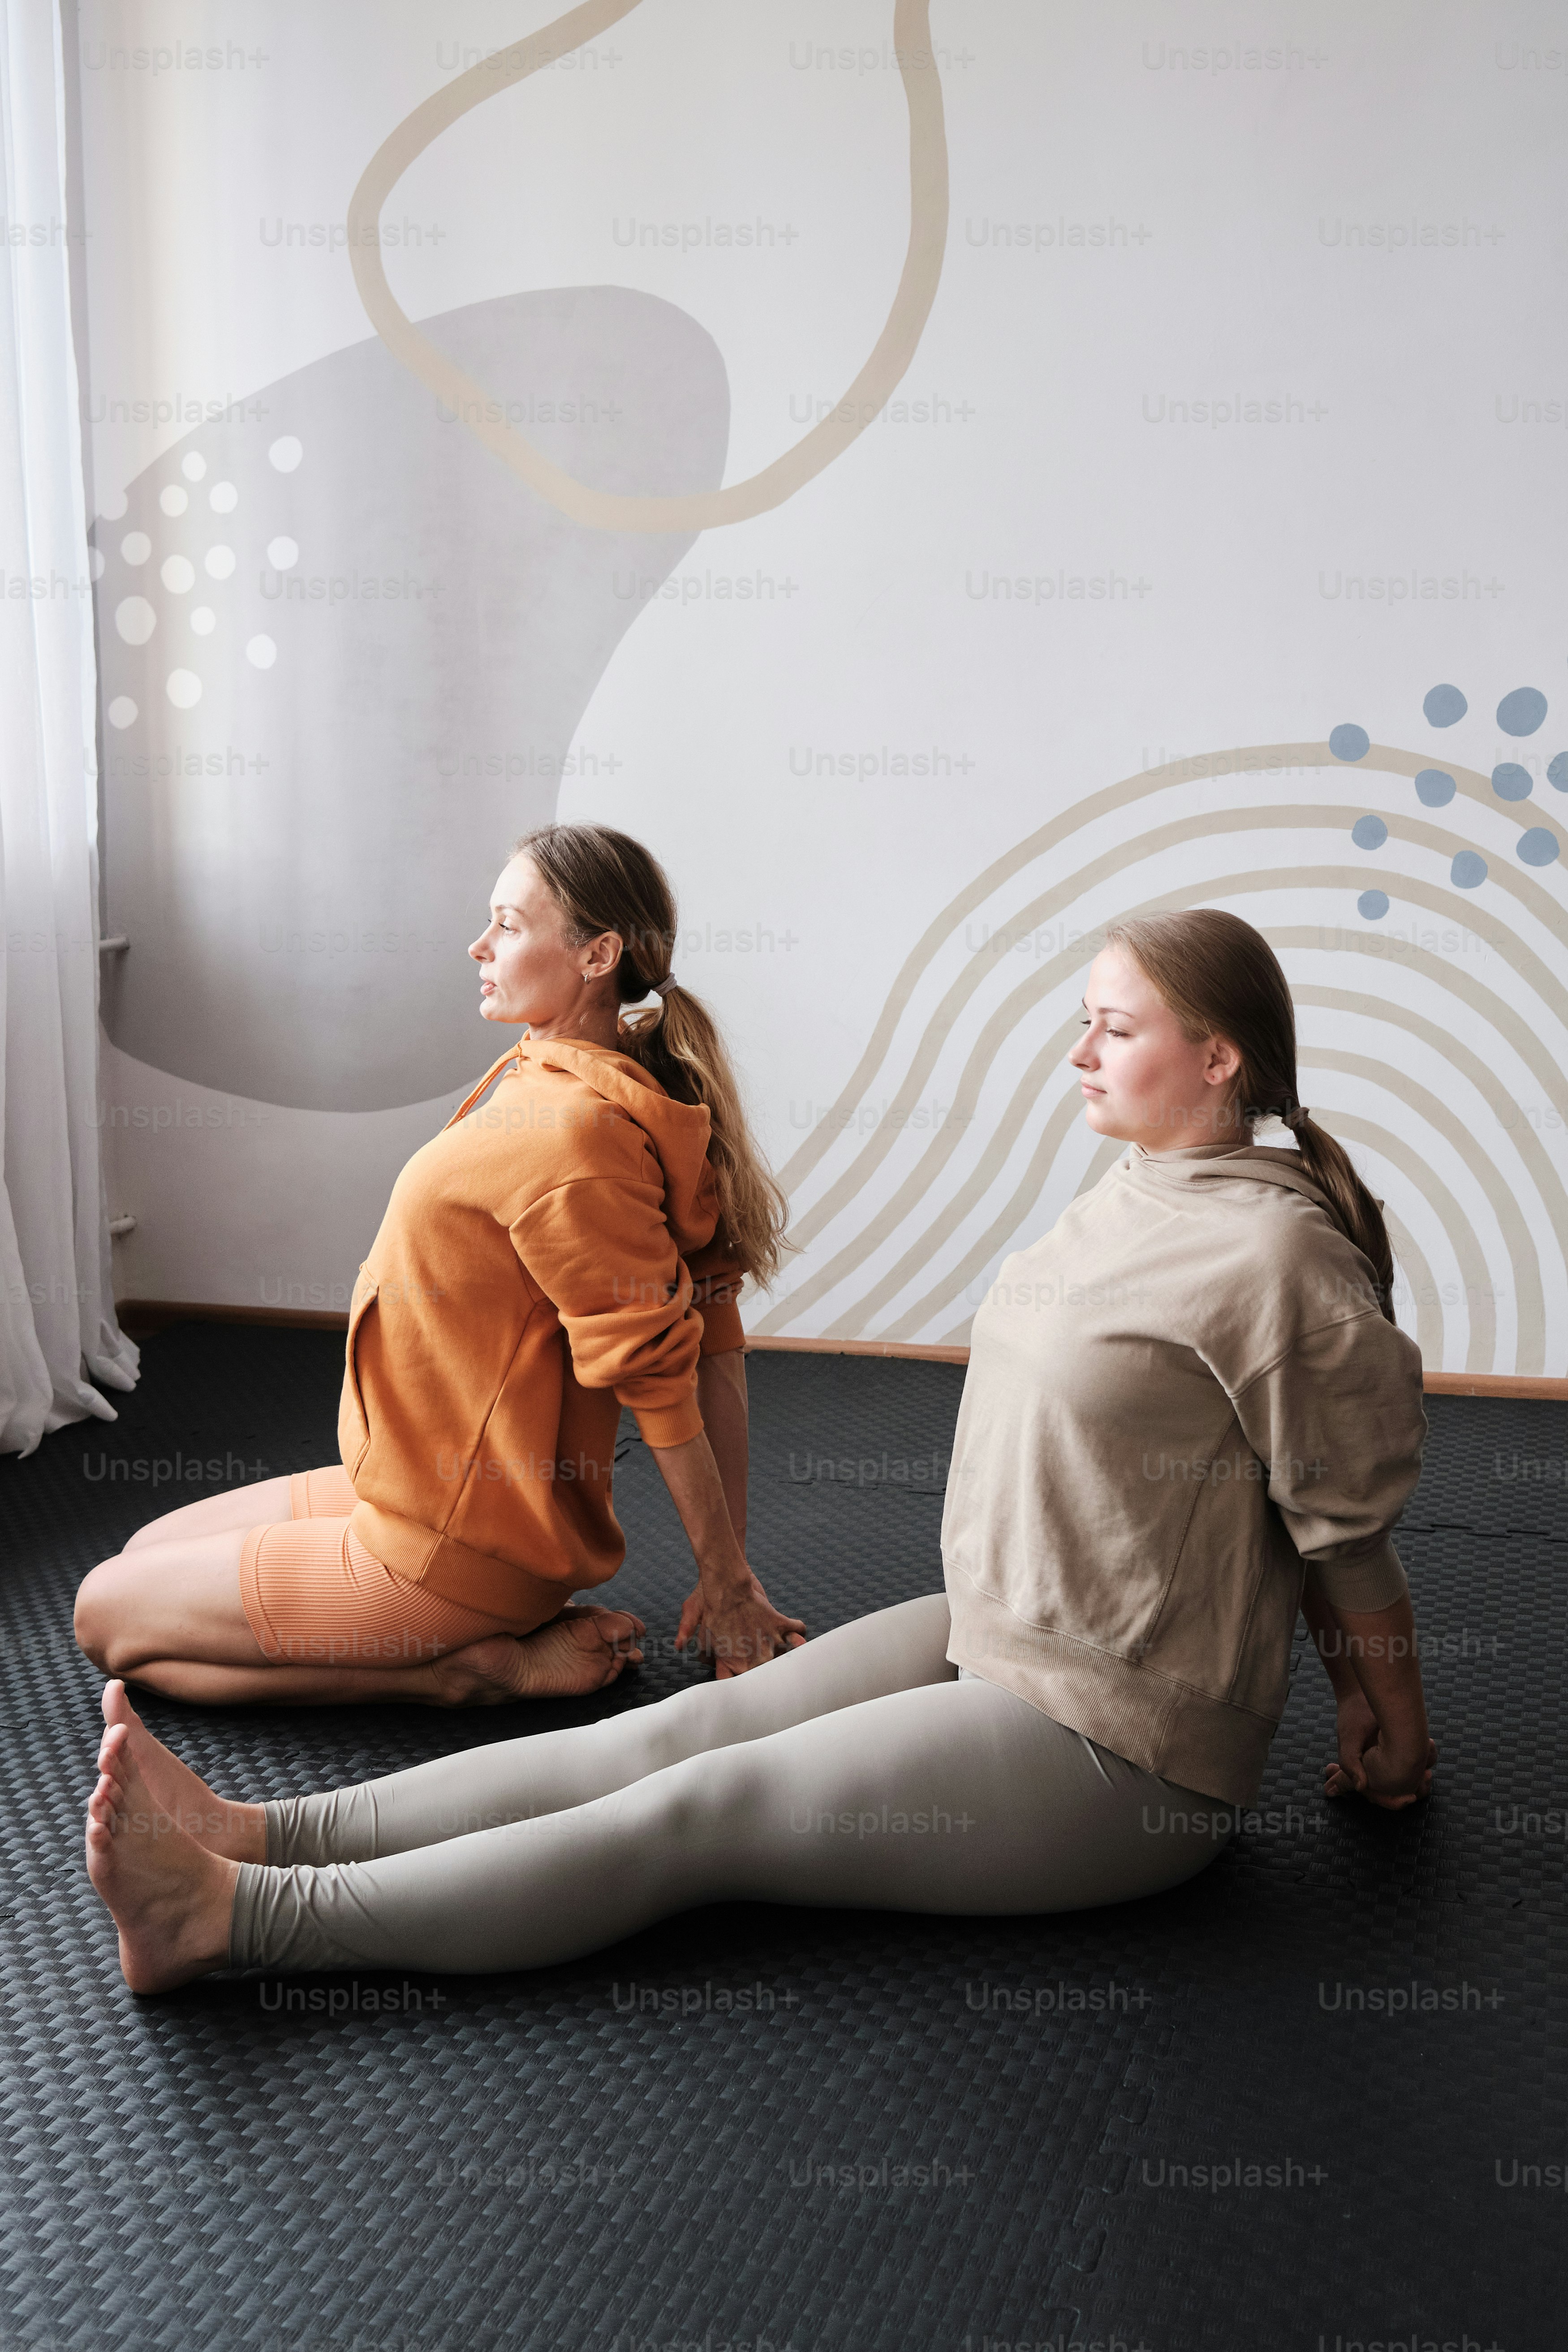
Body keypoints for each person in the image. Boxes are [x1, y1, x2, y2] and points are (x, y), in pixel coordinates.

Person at [84, 909, 1436, 1994]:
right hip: (1001, 1628)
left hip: (1118, 1749)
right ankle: (263, 1835)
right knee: (680, 1730)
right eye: (1082, 1021)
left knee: (701, 1814)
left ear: (1219, 1060)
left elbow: (1341, 1531)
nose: (1081, 1053)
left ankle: (233, 1922)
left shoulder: (1278, 1258)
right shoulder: (1136, 1196)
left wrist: (1392, 1725)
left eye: (1117, 1028)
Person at [74, 824, 803, 1706]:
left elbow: (672, 1373)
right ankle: (459, 1644)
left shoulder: (580, 1138)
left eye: (507, 923)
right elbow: (718, 1331)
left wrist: (728, 1584)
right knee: (145, 1559)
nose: (479, 946)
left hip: (452, 1553)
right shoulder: (559, 1074)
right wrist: (731, 1567)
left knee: (103, 1618)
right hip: (412, 1490)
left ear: (596, 954)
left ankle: (463, 1671)